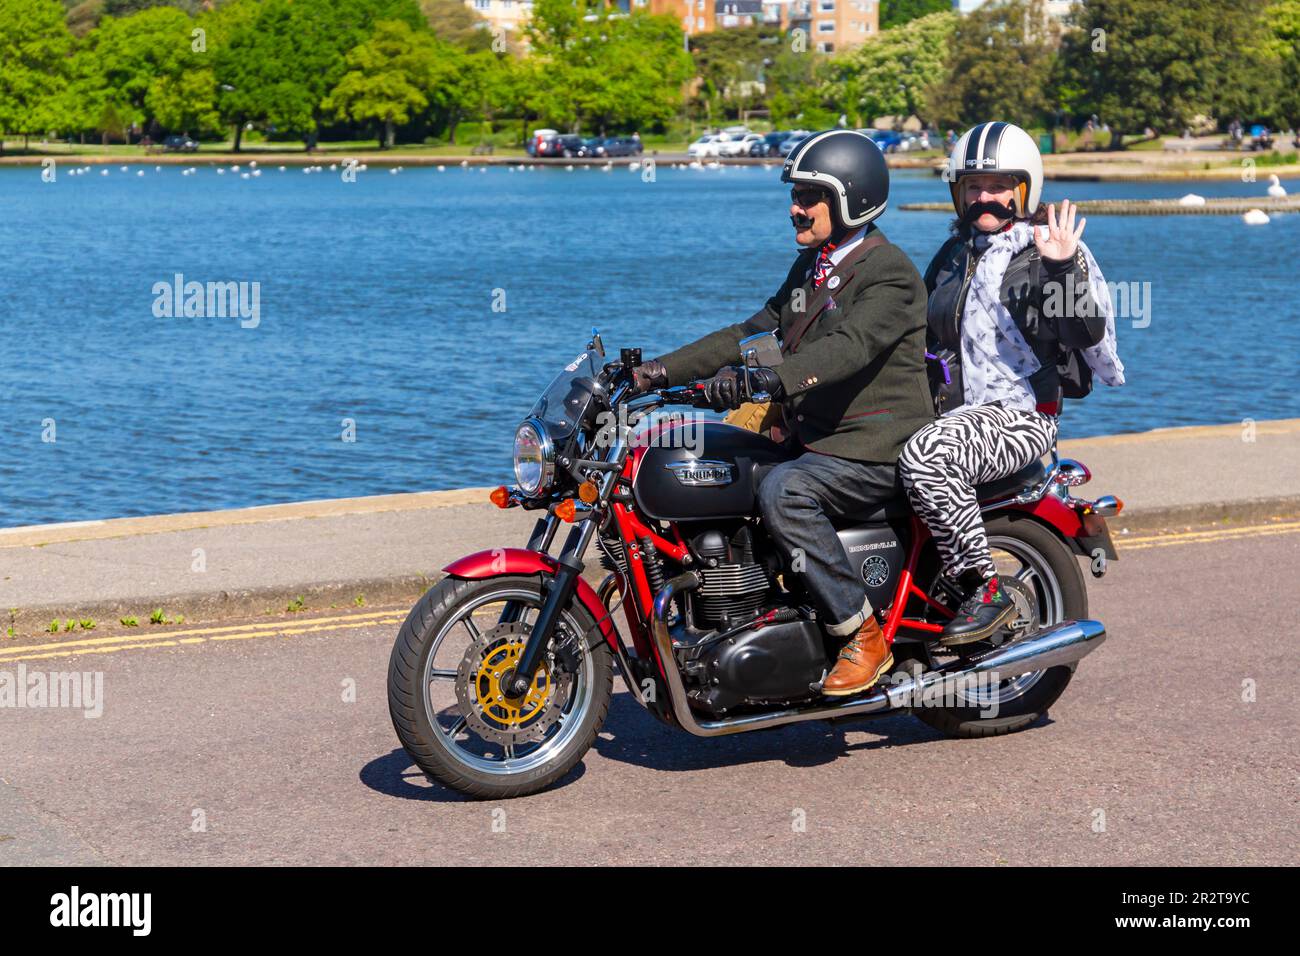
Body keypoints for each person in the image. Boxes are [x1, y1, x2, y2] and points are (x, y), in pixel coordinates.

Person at [631, 130, 934, 696]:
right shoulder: (813, 269)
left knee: (784, 492)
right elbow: (750, 332)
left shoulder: (889, 271)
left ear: (851, 198)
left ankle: (861, 633)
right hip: (816, 439)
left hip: (872, 447)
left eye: (810, 195)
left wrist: (770, 378)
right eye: (795, 194)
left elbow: (849, 347)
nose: (796, 206)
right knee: (709, 457)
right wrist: (654, 372)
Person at [898, 121, 1125, 644]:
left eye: (999, 186)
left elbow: (1086, 330)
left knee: (928, 456)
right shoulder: (953, 256)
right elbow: (918, 335)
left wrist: (1064, 267)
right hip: (953, 414)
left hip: (1021, 417)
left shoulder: (1044, 250)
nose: (985, 197)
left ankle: (987, 589)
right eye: (974, 186)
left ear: (1024, 190)